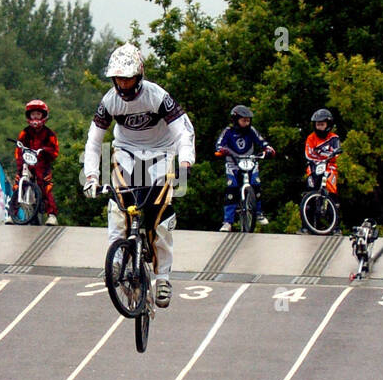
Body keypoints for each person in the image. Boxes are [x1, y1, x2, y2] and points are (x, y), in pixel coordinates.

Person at [82, 43, 195, 309]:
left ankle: (163, 276)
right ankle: (117, 259)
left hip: (160, 154)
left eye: (128, 77)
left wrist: (186, 159)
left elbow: (182, 129)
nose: (123, 84)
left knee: (160, 216)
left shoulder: (157, 96)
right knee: (118, 206)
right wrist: (90, 176)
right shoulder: (109, 101)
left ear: (139, 75)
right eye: (118, 78)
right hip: (126, 153)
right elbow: (94, 141)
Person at [214, 105, 276, 230]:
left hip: (250, 161)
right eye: (243, 120)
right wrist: (222, 150)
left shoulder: (251, 130)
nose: (246, 123)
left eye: (248, 120)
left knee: (256, 183)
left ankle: (258, 213)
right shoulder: (228, 131)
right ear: (235, 120)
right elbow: (219, 144)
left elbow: (261, 141)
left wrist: (268, 149)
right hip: (233, 163)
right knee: (231, 188)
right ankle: (228, 222)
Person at [16, 100, 60, 225]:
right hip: (26, 164)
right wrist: (20, 165)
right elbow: (18, 149)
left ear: (43, 116)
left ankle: (51, 215)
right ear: (28, 116)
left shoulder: (49, 134)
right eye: (33, 114)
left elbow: (55, 151)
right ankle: (12, 213)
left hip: (42, 165)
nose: (35, 117)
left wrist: (44, 152)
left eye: (38, 114)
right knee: (18, 183)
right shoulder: (25, 133)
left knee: (46, 187)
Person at [304, 108, 341, 195]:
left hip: (329, 165)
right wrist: (323, 156)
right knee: (311, 184)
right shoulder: (311, 138)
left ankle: (333, 201)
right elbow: (308, 154)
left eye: (322, 124)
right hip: (314, 165)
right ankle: (309, 202)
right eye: (318, 125)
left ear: (328, 125)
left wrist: (321, 153)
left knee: (330, 182)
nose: (319, 127)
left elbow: (337, 153)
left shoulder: (334, 138)